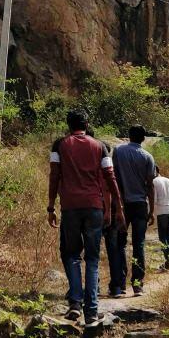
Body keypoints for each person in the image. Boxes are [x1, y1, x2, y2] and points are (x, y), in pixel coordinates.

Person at [47, 110, 125, 326]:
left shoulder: (59, 145)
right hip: (94, 207)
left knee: (71, 254)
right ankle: (91, 311)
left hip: (70, 207)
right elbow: (110, 177)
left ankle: (75, 303)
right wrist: (118, 207)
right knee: (92, 259)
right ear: (87, 124)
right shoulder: (100, 146)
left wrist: (51, 206)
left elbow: (54, 175)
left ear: (68, 125)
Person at [106, 125, 156, 296]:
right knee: (138, 244)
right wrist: (152, 209)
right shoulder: (148, 157)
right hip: (140, 204)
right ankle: (137, 284)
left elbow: (113, 176)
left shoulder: (118, 151)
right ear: (143, 138)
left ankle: (119, 284)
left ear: (128, 135)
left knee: (119, 243)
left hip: (122, 204)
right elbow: (150, 185)